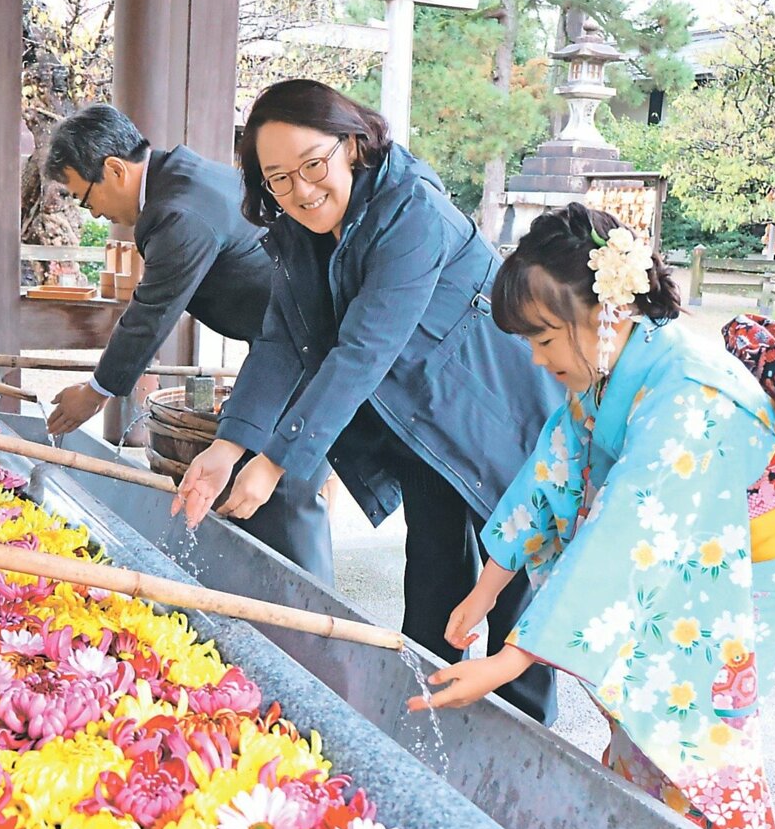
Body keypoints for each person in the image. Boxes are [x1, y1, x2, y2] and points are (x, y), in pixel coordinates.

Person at [409, 203, 775, 829]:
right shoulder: (610, 365)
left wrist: (512, 657)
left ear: (604, 313)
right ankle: (641, 828)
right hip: (688, 541)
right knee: (638, 714)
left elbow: (628, 532)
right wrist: (487, 587)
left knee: (691, 731)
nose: (536, 357)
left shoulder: (690, 391)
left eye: (544, 337)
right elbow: (554, 469)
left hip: (753, 566)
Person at [171, 79, 563, 724]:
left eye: (313, 165)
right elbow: (280, 339)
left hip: (496, 405)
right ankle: (429, 723)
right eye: (278, 178)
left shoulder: (414, 213)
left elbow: (362, 349)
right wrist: (227, 445)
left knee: (518, 572)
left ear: (352, 145)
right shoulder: (299, 229)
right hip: (420, 420)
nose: (301, 189)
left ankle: (524, 744)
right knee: (436, 568)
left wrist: (276, 461)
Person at [43, 104, 333, 584]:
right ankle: (267, 595)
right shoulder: (181, 176)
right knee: (263, 483)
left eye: (83, 196)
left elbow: (150, 314)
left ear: (114, 170)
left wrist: (95, 391)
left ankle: (310, 613)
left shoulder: (178, 211)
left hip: (305, 351)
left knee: (286, 489)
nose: (90, 211)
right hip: (281, 348)